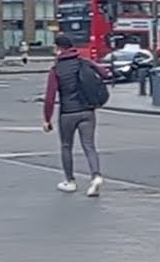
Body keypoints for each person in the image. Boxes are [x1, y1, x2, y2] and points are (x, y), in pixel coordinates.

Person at [42, 35, 111, 196]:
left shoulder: (56, 69)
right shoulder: (84, 62)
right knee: (89, 146)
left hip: (67, 113)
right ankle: (96, 176)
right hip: (87, 111)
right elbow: (105, 74)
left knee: (66, 146)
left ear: (59, 48)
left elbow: (50, 97)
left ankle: (70, 181)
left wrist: (47, 119)